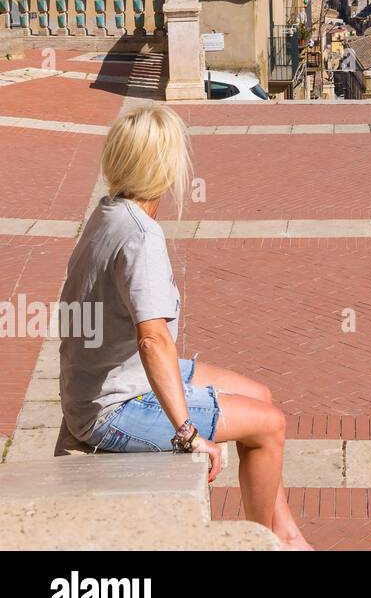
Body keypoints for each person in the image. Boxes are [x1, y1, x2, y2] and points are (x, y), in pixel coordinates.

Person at [58, 104, 312, 551]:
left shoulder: (107, 213)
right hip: (113, 405)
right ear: (165, 166)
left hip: (106, 379)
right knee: (269, 425)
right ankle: (263, 542)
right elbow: (152, 339)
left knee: (261, 397)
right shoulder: (142, 235)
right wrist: (189, 433)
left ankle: (287, 535)